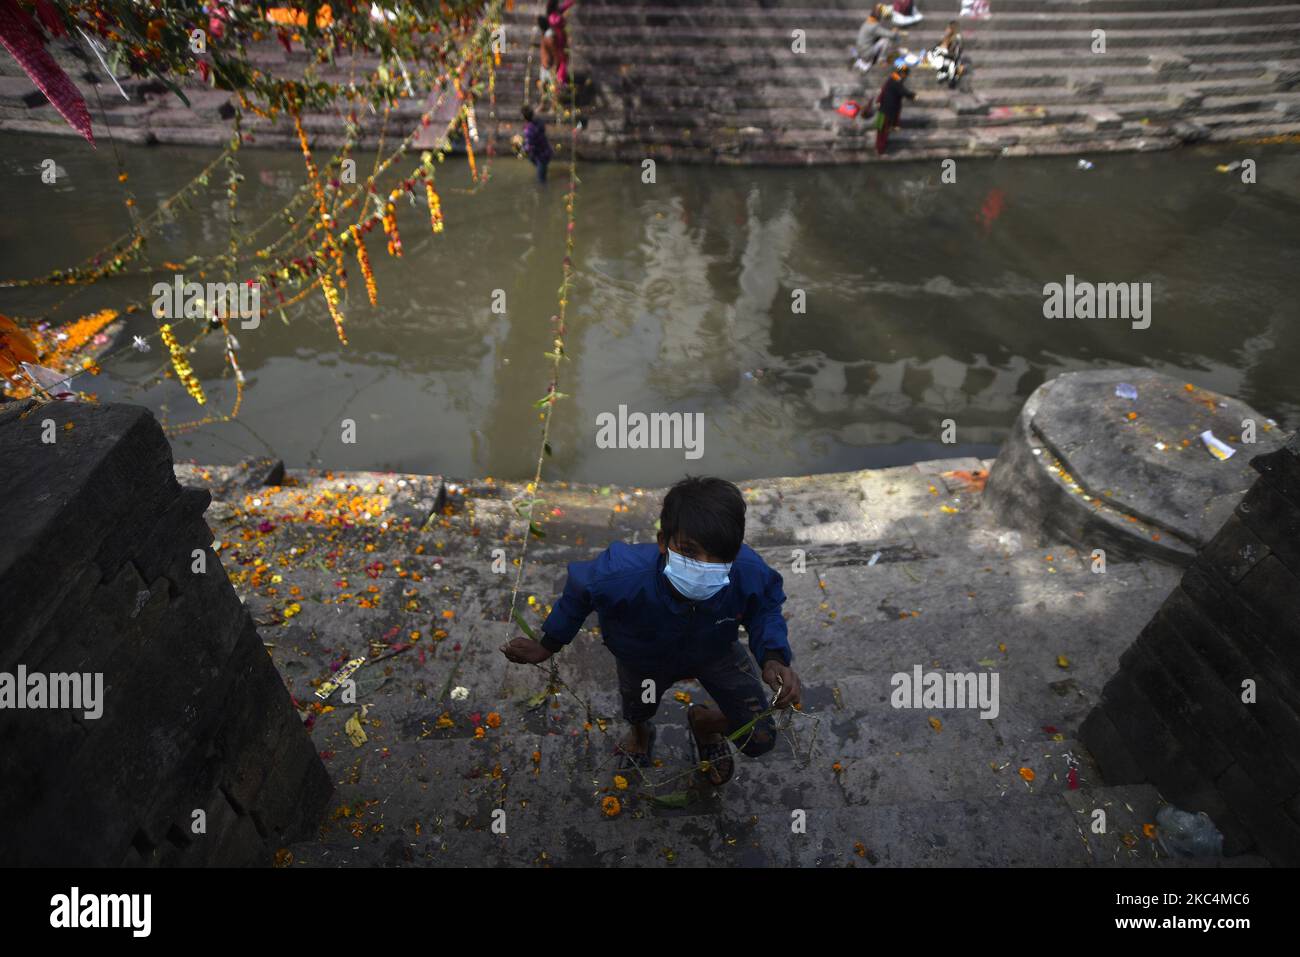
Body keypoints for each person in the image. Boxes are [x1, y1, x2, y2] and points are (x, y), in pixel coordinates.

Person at [499, 476, 801, 787]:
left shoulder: (748, 571)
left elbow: (765, 607)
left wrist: (774, 656)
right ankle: (641, 733)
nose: (704, 566)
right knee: (638, 706)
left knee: (759, 737)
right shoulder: (620, 574)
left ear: (735, 551)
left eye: (720, 555)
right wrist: (548, 644)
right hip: (643, 659)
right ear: (662, 542)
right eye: (689, 552)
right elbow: (580, 592)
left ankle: (704, 723)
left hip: (716, 652)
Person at [875, 62, 916, 155]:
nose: (905, 77)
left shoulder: (892, 77)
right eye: (905, 74)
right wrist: (913, 95)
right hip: (888, 108)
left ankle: (879, 147)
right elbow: (902, 91)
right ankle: (881, 149)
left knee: (880, 128)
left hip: (882, 106)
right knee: (883, 129)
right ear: (903, 73)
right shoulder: (896, 80)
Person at [853, 5, 900, 75]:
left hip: (860, 52)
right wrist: (895, 30)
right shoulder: (874, 26)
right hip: (867, 53)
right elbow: (891, 35)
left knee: (879, 38)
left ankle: (868, 59)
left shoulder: (866, 23)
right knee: (886, 40)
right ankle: (882, 59)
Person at [546, 0, 577, 87]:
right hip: (557, 42)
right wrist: (562, 18)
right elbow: (556, 22)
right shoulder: (552, 16)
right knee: (561, 61)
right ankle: (560, 81)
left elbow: (565, 6)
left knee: (563, 60)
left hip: (562, 40)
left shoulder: (557, 12)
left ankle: (560, 80)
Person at [520, 104, 553, 183]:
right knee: (534, 160)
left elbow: (529, 146)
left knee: (541, 181)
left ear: (524, 117)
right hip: (546, 151)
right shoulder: (539, 121)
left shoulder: (529, 130)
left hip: (541, 156)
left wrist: (520, 148)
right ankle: (543, 169)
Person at [932, 20, 966, 89]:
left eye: (948, 28)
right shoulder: (948, 37)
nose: (946, 29)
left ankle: (949, 76)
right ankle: (946, 75)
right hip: (949, 58)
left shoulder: (957, 39)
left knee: (950, 64)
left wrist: (944, 53)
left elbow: (955, 54)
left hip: (952, 59)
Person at [536, 14, 558, 100]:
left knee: (552, 87)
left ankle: (553, 104)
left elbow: (553, 50)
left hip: (549, 64)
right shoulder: (546, 34)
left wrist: (554, 64)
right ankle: (543, 103)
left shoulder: (549, 35)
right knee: (543, 85)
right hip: (545, 64)